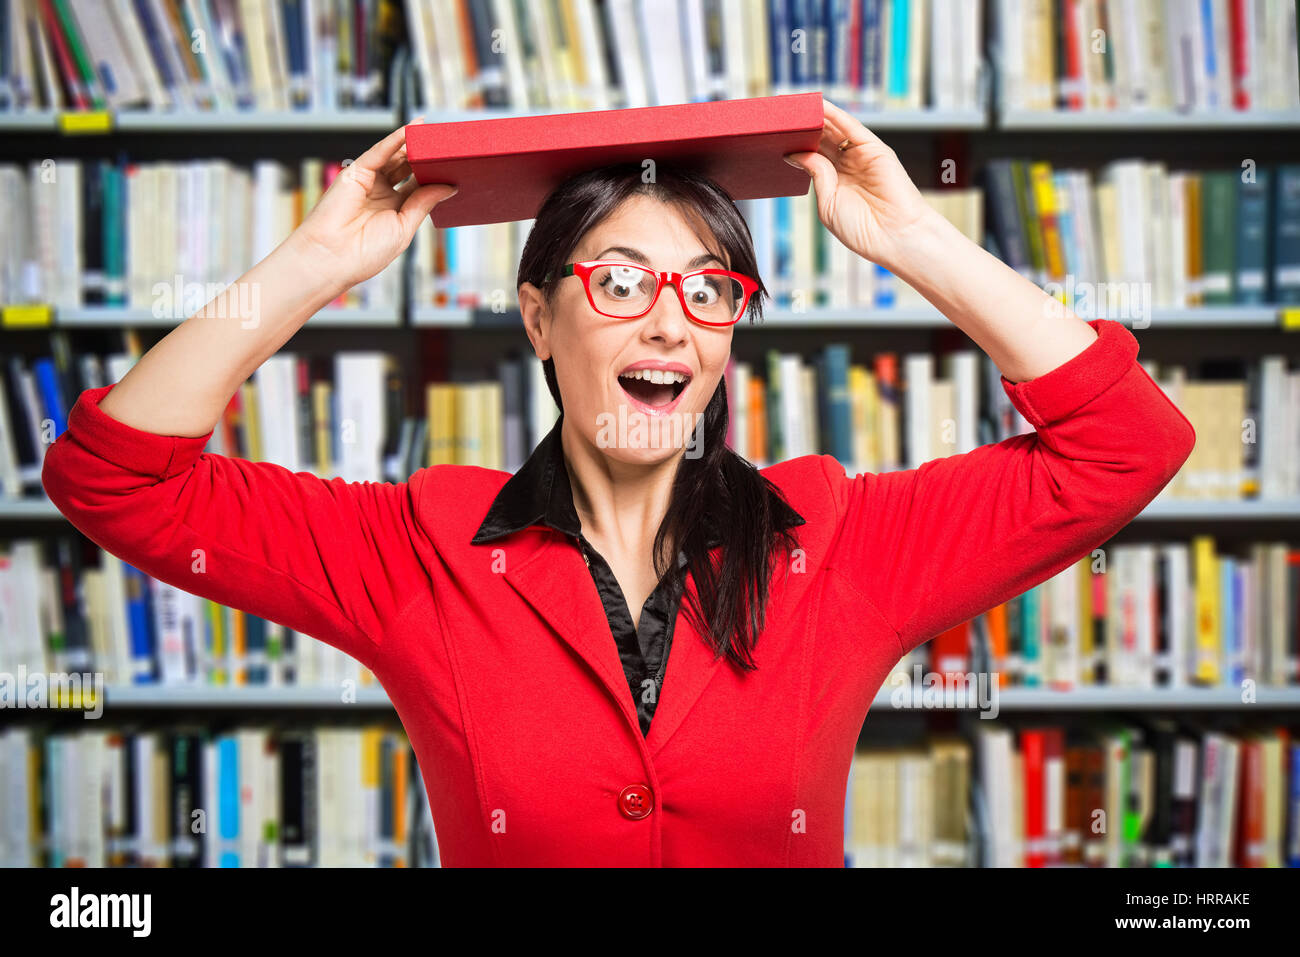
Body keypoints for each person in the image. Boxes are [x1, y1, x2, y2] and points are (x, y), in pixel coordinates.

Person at [41, 98, 1195, 866]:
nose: (670, 322)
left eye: (708, 291)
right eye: (623, 281)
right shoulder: (419, 549)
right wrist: (309, 266)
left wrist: (913, 240)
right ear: (538, 318)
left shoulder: (836, 542)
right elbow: (118, 482)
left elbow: (1127, 444)